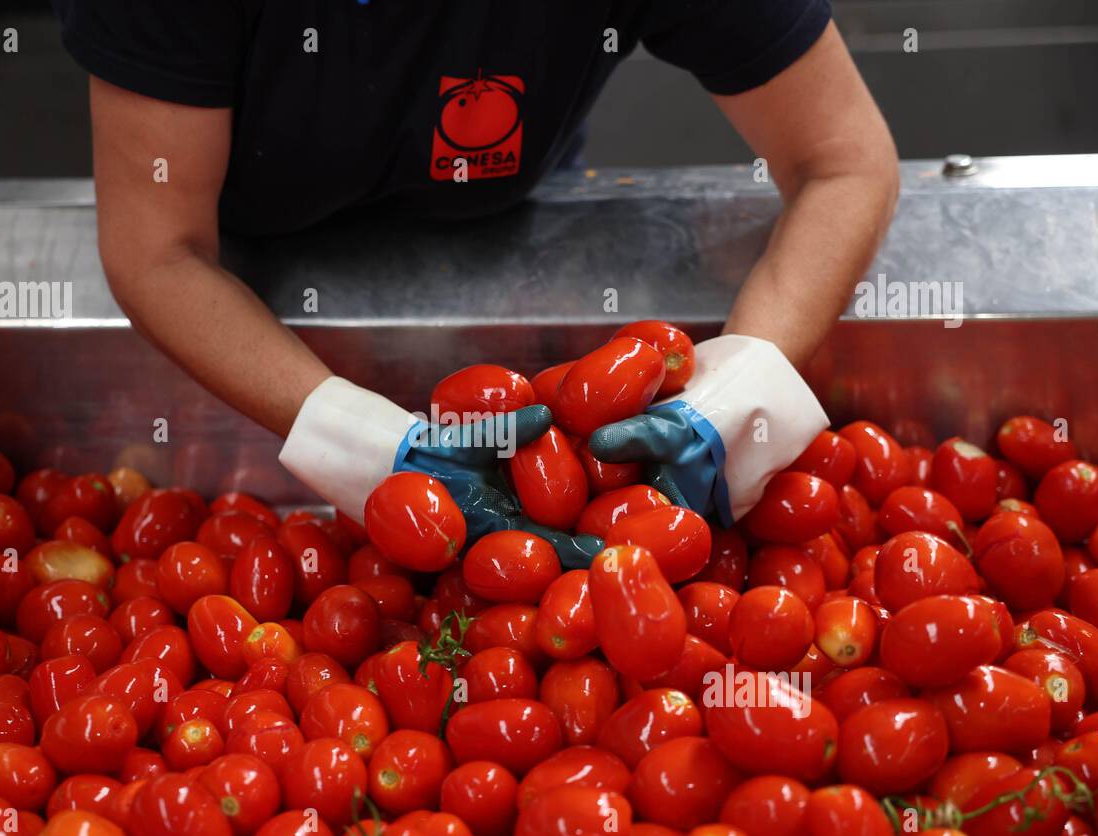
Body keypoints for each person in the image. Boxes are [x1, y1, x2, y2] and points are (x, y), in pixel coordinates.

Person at [52, 0, 898, 565]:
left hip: (502, 220)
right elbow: (160, 250)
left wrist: (736, 394)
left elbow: (842, 162)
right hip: (241, 277)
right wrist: (361, 444)